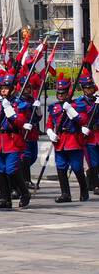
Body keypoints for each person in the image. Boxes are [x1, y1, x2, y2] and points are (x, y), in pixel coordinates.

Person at [0, 73, 31, 210]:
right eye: (2, 87)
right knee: (1, 170)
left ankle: (24, 193)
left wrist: (10, 110)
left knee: (11, 169)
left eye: (6, 87)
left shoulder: (19, 104)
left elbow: (20, 122)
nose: (3, 90)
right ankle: (5, 198)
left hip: (13, 140)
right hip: (0, 140)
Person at [45, 75, 90, 204]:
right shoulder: (54, 107)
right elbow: (49, 123)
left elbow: (82, 120)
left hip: (73, 140)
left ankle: (84, 190)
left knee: (77, 168)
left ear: (68, 92)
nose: (60, 95)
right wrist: (50, 132)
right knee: (61, 167)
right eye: (58, 93)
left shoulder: (77, 104)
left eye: (63, 93)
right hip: (60, 141)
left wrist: (70, 110)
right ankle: (65, 194)